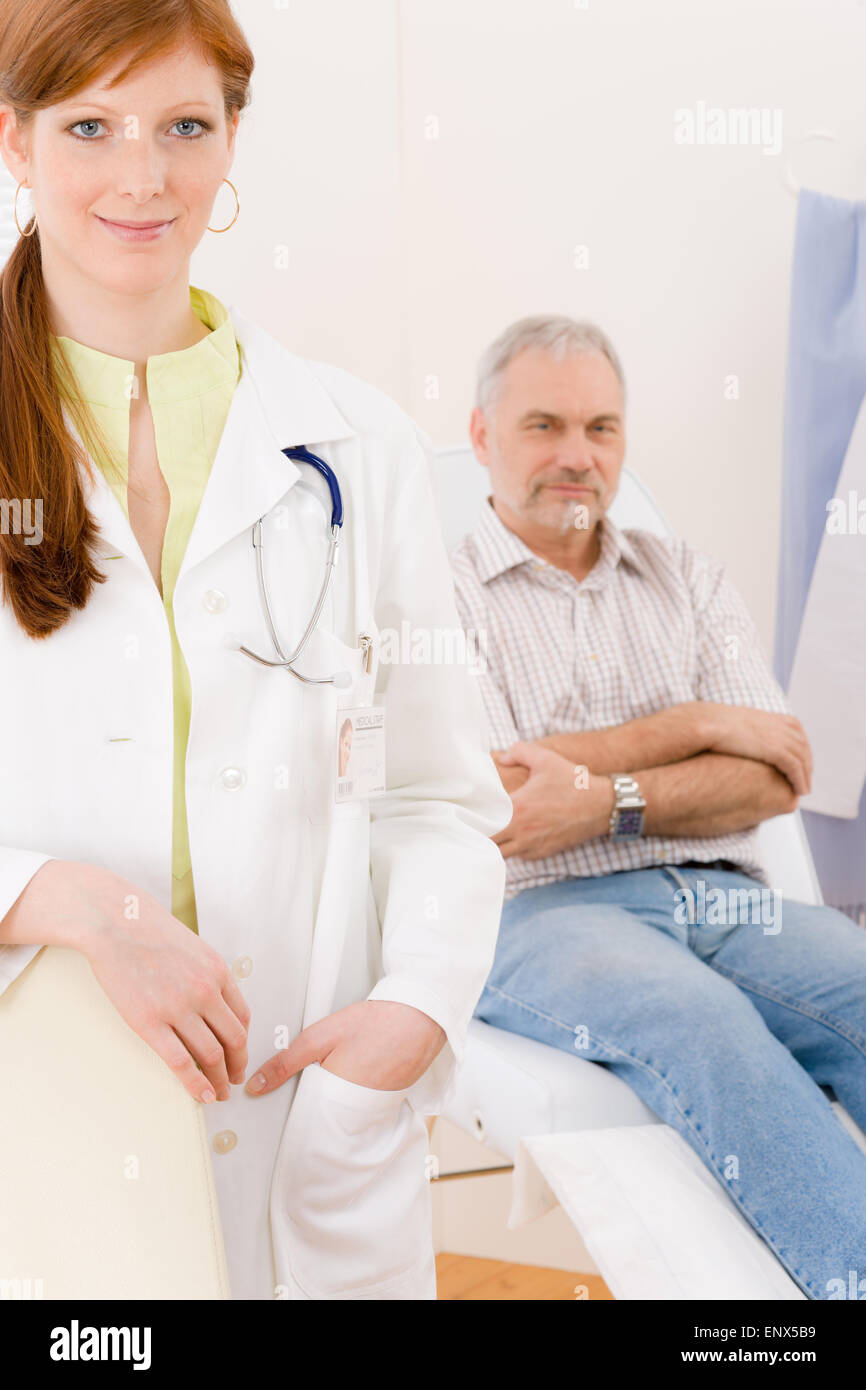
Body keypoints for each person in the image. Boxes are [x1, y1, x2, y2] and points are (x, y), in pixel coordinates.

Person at [0, 0, 511, 1301]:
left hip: (305, 1115)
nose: (142, 175)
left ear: (233, 139)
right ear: (15, 140)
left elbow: (438, 792)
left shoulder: (355, 443)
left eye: (184, 124)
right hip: (44, 1106)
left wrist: (413, 1011)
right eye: (90, 125)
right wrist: (73, 901)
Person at [449, 313, 866, 1300]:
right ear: (480, 436)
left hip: (720, 896)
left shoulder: (682, 575)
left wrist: (601, 796)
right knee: (704, 1028)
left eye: (600, 429)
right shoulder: (437, 592)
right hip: (539, 914)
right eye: (542, 425)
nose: (575, 456)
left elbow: (774, 777)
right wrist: (692, 721)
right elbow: (501, 801)